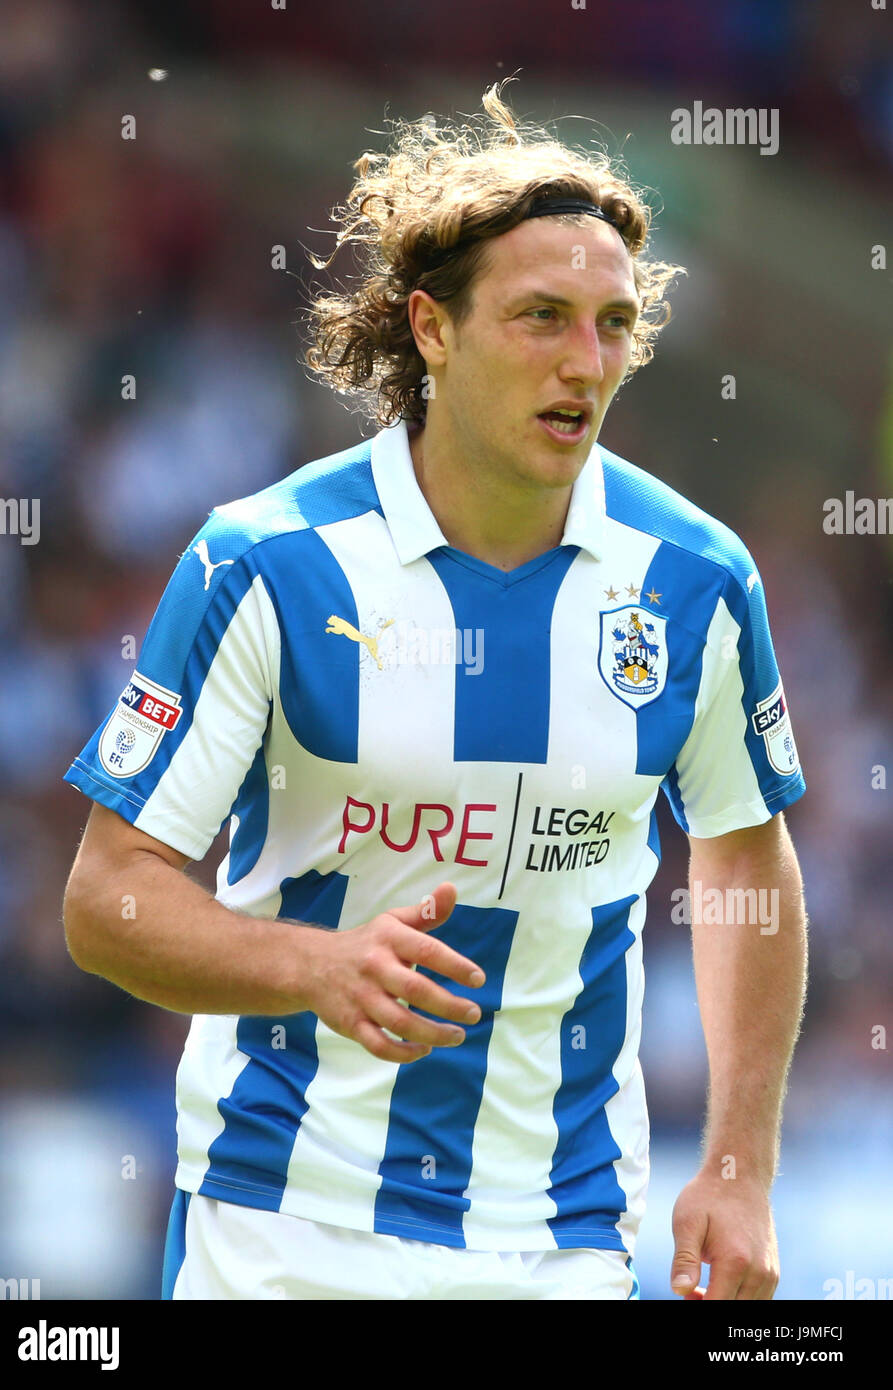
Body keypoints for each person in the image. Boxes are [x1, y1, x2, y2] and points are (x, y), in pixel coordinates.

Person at [62, 80, 807, 1301]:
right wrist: (313, 966)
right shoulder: (266, 562)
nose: (587, 362)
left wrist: (737, 1162)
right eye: (542, 317)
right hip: (280, 1218)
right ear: (432, 327)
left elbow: (739, 857)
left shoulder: (695, 580)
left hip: (561, 1232)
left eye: (614, 324)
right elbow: (107, 901)